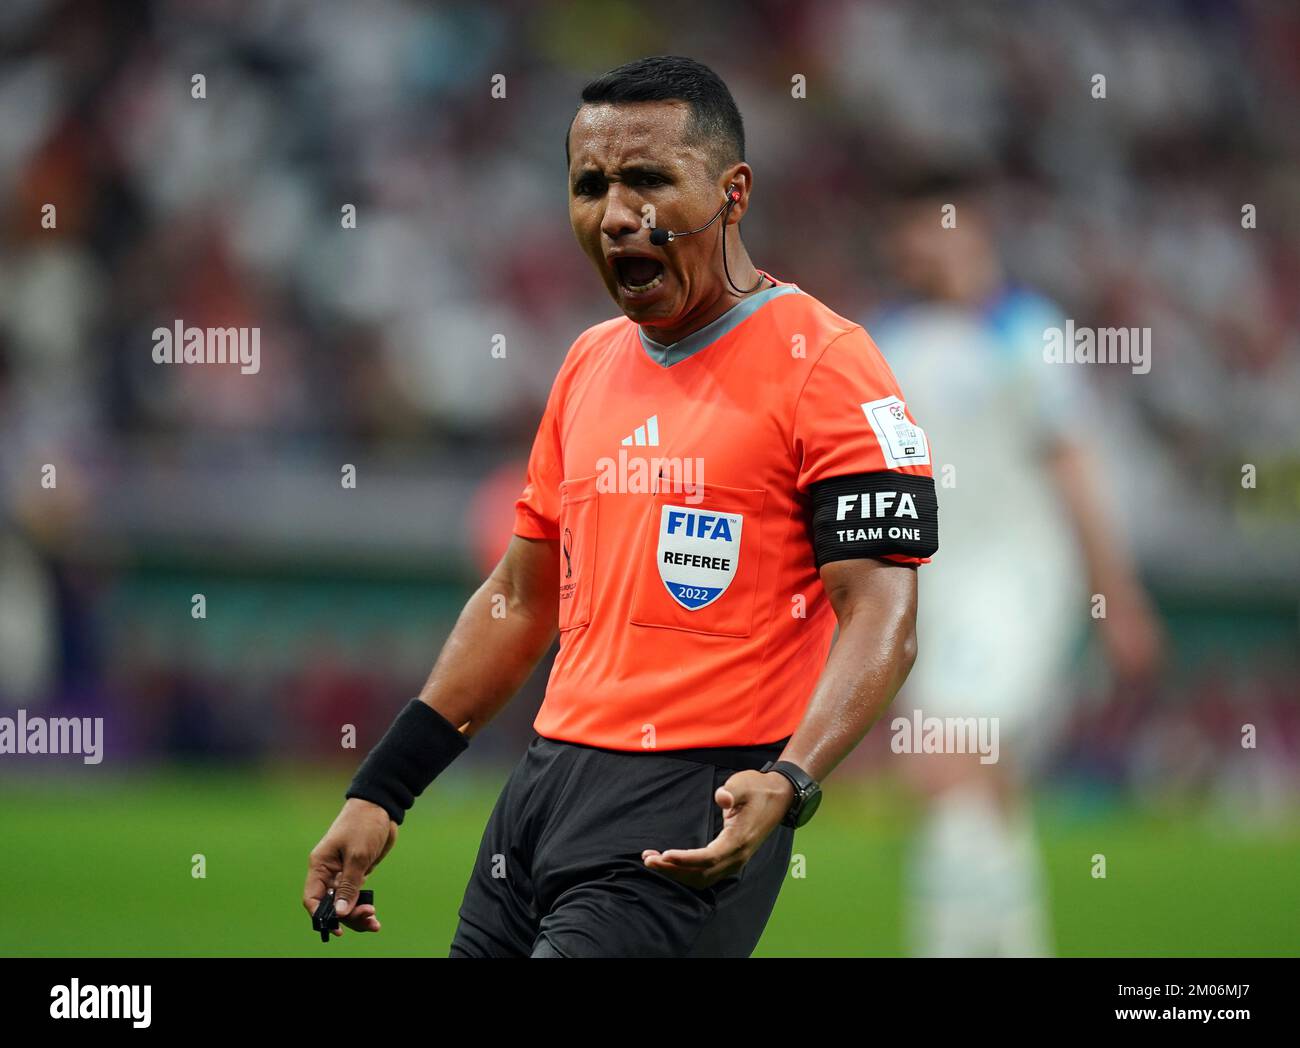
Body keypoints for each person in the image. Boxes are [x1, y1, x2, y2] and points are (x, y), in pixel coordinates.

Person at [303, 55, 939, 958]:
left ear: (733, 192)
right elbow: (521, 601)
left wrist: (791, 778)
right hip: (540, 792)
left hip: (695, 803)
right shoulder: (589, 363)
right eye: (590, 185)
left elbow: (882, 611)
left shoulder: (829, 364)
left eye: (647, 180)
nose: (615, 215)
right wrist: (382, 789)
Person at [871, 170, 1163, 956]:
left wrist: (1118, 598)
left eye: (939, 225)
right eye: (910, 229)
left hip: (1020, 583)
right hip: (932, 591)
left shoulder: (1028, 333)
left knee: (942, 760)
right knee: (978, 790)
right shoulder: (882, 340)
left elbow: (1073, 465)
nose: (923, 245)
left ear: (976, 229)